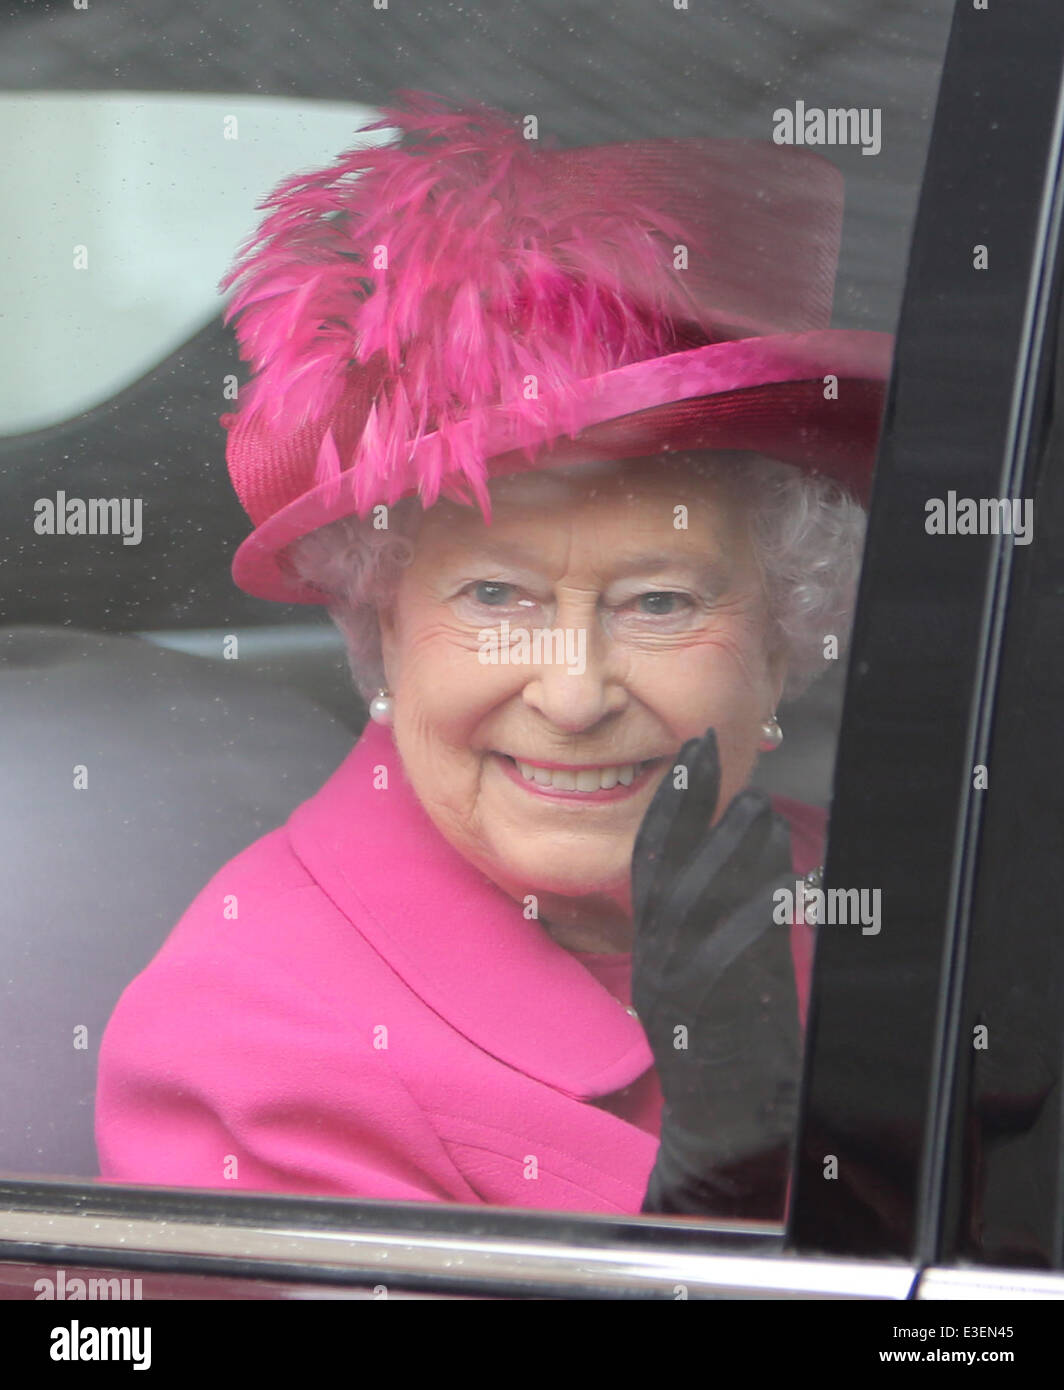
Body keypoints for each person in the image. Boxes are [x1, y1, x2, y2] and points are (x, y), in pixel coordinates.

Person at [94, 90, 891, 1216]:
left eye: (657, 600)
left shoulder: (878, 895)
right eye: (495, 595)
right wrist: (717, 1215)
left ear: (787, 632)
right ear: (381, 629)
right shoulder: (253, 1039)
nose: (571, 694)